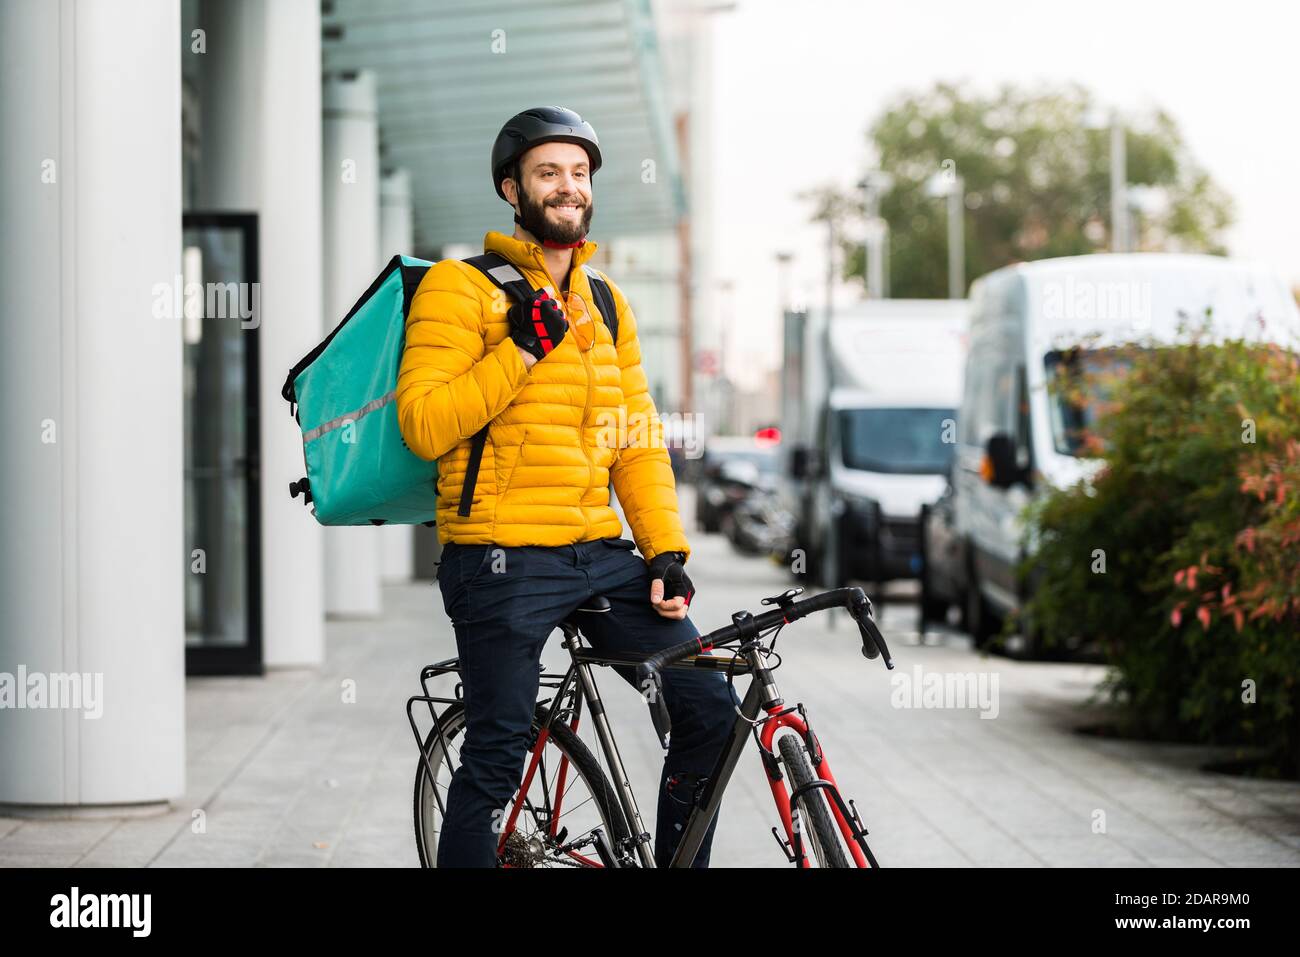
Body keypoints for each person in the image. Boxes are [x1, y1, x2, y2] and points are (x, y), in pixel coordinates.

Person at [395, 106, 739, 868]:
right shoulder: (461, 288)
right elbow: (423, 423)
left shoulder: (607, 303)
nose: (568, 187)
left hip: (596, 551)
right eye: (549, 172)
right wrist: (520, 346)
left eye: (579, 173)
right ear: (511, 187)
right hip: (499, 554)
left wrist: (664, 551)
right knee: (496, 753)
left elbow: (637, 440)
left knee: (710, 702)